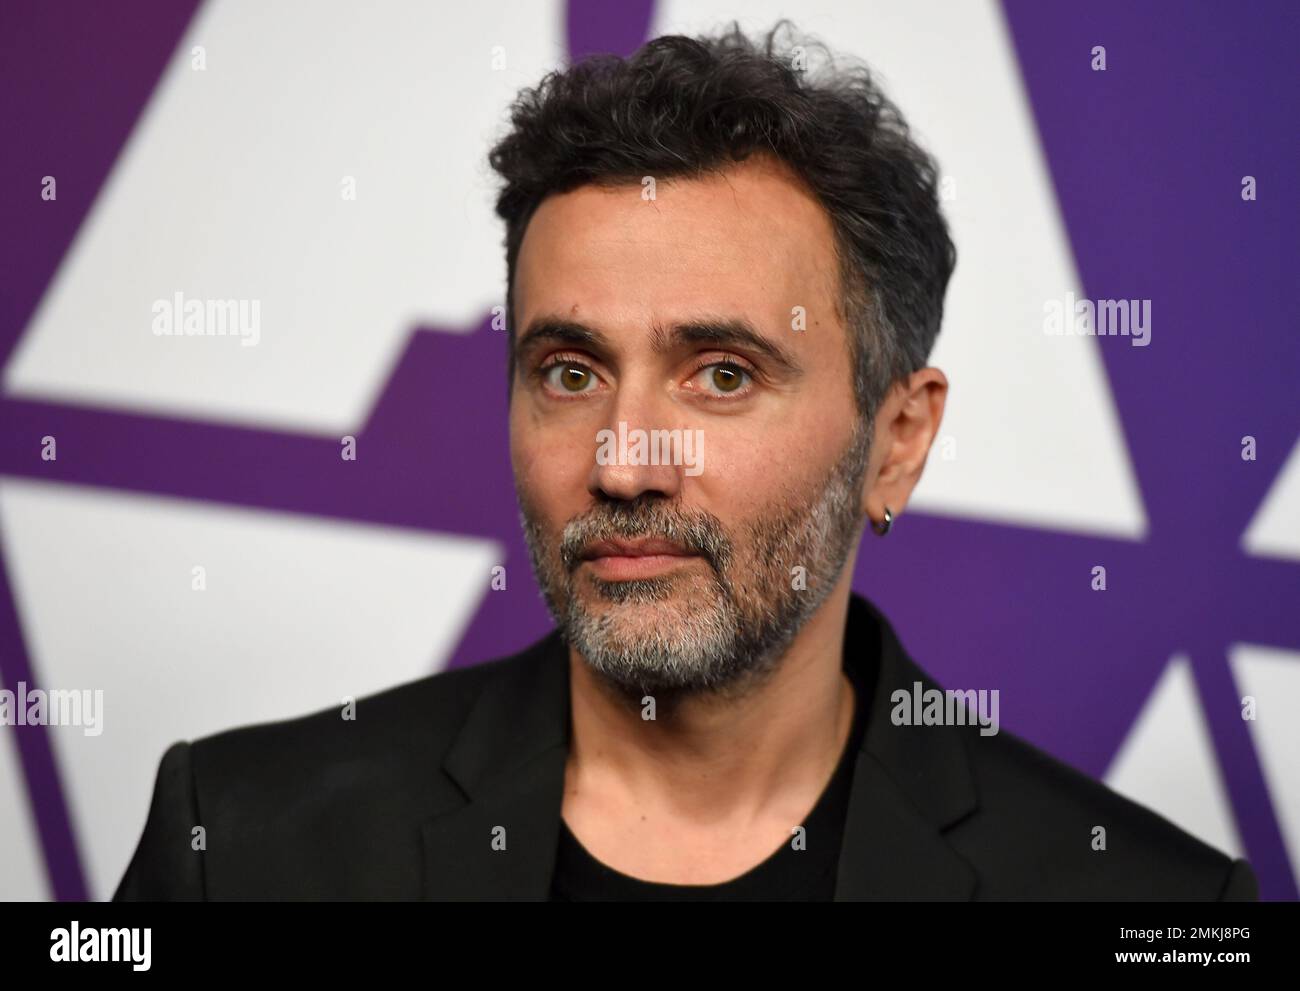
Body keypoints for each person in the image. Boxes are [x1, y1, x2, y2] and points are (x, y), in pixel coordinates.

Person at [114, 21, 1257, 901]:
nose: (623, 462)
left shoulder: (1145, 902)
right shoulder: (241, 843)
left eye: (721, 374)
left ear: (894, 443)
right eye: (569, 371)